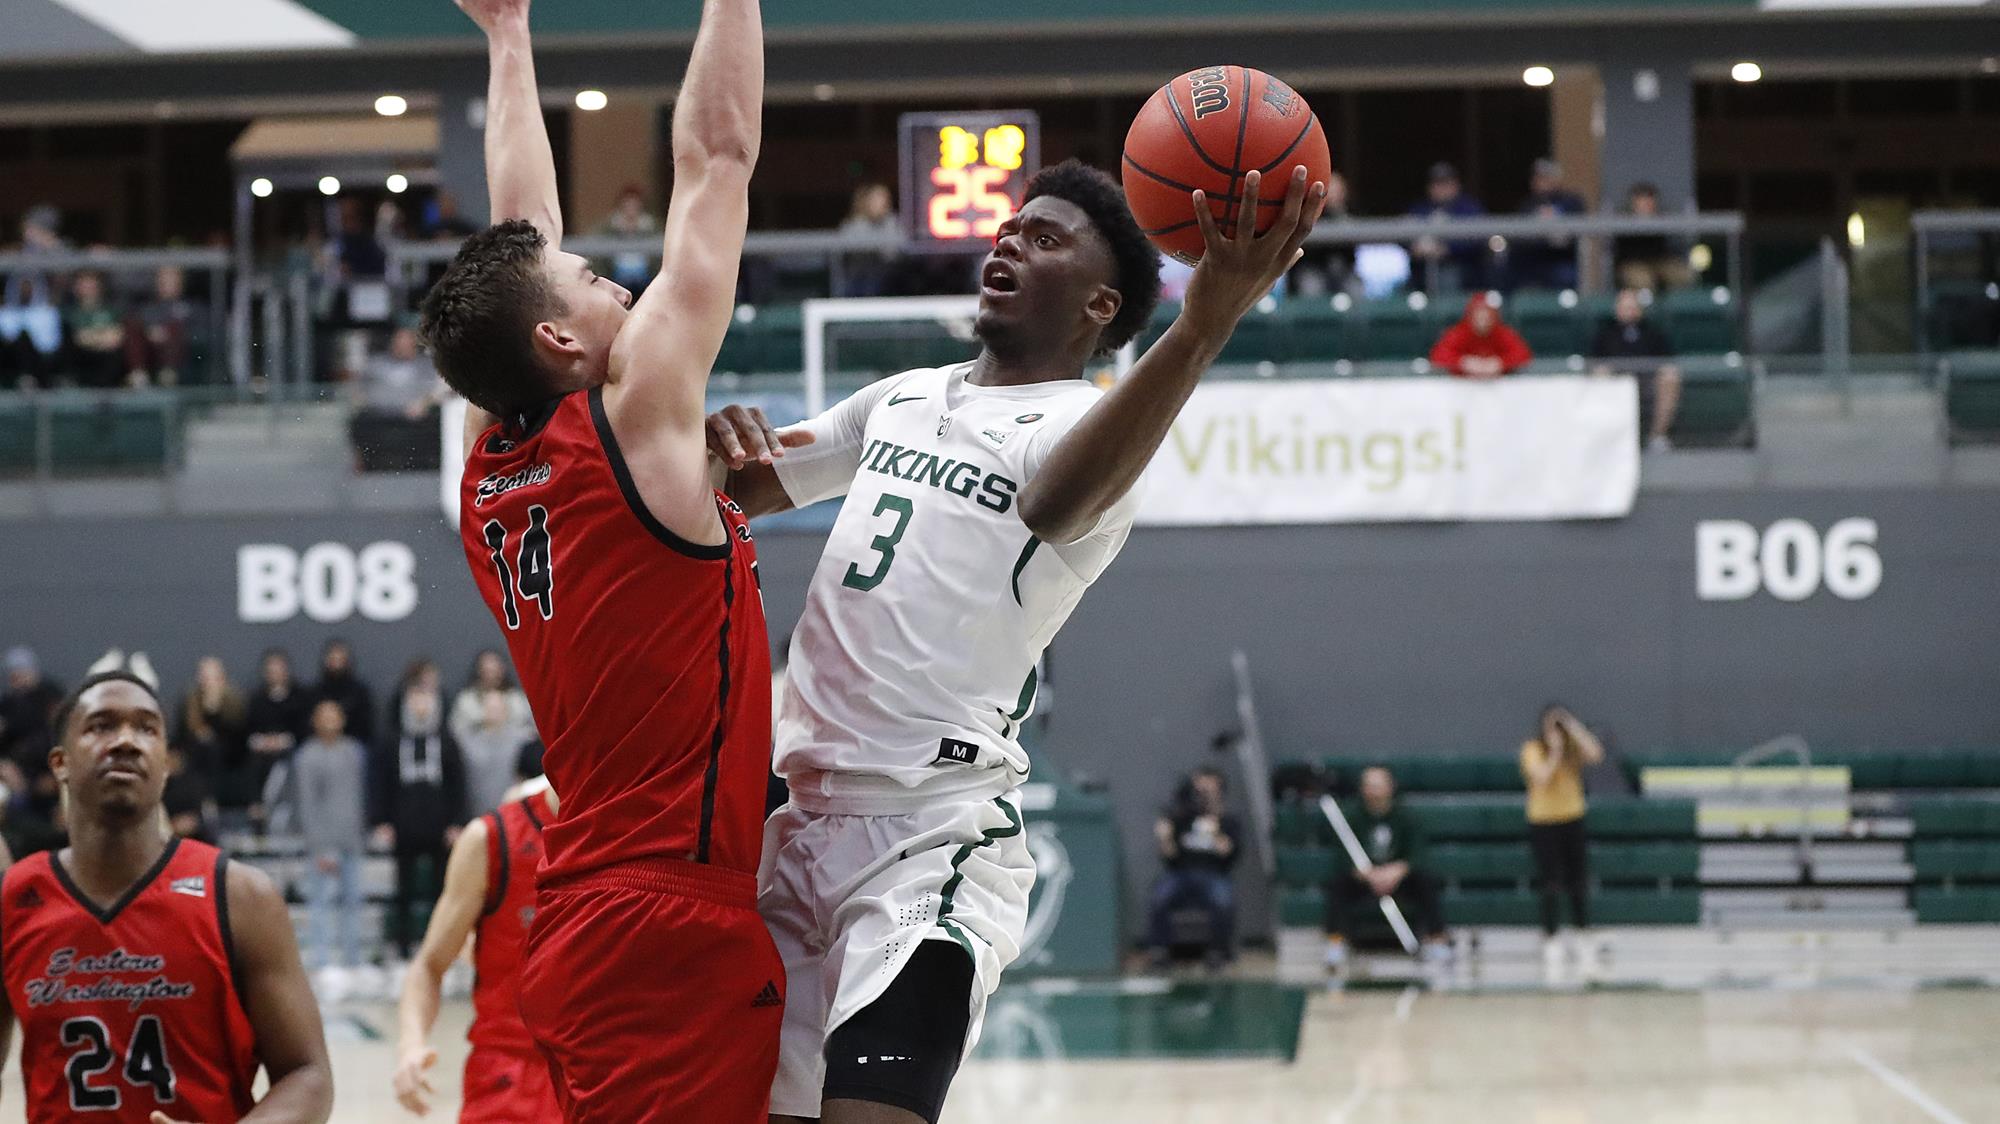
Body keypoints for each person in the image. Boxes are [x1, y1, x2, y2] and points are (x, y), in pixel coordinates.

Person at [708, 157, 1325, 1123]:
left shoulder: (1089, 429)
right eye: (1009, 228)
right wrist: (713, 443)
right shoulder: (901, 398)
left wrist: (1203, 325)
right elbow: (736, 495)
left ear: (1098, 303)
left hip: (932, 839)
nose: (1008, 241)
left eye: (1045, 239)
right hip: (796, 829)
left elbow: (1053, 502)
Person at [421, 0, 781, 1116]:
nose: (619, 279)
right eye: (592, 278)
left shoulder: (487, 461)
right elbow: (716, 154)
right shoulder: (636, 415)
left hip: (602, 908)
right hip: (658, 910)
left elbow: (520, 228)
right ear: (560, 341)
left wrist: (508, 34)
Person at [0, 671, 333, 1123]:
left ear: (166, 763)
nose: (126, 741)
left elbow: (308, 1075)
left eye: (146, 728)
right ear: (59, 763)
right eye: (101, 726)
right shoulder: (14, 898)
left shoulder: (238, 896)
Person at [393, 776, 560, 1122]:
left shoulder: (648, 833)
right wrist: (411, 1044)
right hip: (509, 1081)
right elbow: (429, 965)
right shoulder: (493, 838)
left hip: (610, 1079)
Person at [374, 662, 467, 961]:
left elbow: (458, 784)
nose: (420, 705)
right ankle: (402, 949)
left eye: (426, 699)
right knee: (403, 890)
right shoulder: (393, 741)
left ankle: (439, 947)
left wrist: (456, 822)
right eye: (415, 699)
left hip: (439, 825)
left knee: (441, 891)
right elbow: (381, 783)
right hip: (404, 824)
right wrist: (382, 821)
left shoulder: (446, 741)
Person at [1322, 766, 1450, 974]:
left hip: (1399, 879)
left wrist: (1394, 872)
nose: (1373, 791)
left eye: (1377, 786)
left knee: (1425, 881)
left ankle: (1438, 941)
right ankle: (1335, 942)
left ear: (1390, 787)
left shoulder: (1407, 816)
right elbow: (1344, 856)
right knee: (1339, 885)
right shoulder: (1352, 817)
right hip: (1363, 879)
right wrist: (1369, 875)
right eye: (1368, 786)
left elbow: (1416, 855)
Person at [1522, 704, 1606, 981]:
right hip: (1544, 822)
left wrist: (1574, 727)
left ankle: (1582, 933)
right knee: (1550, 881)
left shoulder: (1574, 752)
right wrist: (1555, 749)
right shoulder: (1533, 749)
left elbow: (1596, 754)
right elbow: (1541, 777)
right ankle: (1551, 936)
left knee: (1578, 879)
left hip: (1572, 818)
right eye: (1552, 725)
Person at [292, 698, 369, 982]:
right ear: (315, 721)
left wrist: (362, 832)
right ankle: (322, 962)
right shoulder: (307, 755)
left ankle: (352, 960)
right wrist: (320, 846)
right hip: (322, 843)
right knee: (321, 902)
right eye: (323, 716)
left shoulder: (354, 752)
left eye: (334, 715)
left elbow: (360, 796)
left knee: (352, 901)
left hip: (351, 839)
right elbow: (307, 804)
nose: (330, 721)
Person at [1144, 766, 1241, 971]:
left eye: (1209, 786)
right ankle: (1159, 951)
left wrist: (1215, 832)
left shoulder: (1228, 820)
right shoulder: (1182, 817)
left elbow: (1229, 854)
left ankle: (1217, 952)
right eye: (1199, 786)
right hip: (1181, 872)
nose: (1203, 792)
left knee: (1222, 900)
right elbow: (1169, 856)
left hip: (1213, 873)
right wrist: (1165, 837)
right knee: (1160, 896)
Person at [1590, 288, 1684, 451]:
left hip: (1647, 381)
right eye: (1625, 307)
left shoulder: (1653, 332)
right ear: (1617, 309)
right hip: (1617, 381)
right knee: (1600, 375)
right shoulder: (1605, 333)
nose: (1630, 312)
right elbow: (1595, 361)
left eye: (1633, 307)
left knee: (1670, 377)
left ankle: (1657, 436)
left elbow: (1666, 360)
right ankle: (1610, 438)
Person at [349, 325, 449, 471]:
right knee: (358, 422)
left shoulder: (426, 366)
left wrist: (425, 403)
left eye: (406, 342)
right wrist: (363, 401)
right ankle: (365, 463)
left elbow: (439, 389)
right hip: (379, 416)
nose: (402, 346)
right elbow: (358, 388)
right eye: (399, 341)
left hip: (414, 418)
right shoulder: (376, 364)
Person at [448, 650, 535, 816]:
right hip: (476, 803)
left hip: (513, 807)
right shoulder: (466, 709)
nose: (491, 673)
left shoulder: (521, 728)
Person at [244, 648, 310, 832]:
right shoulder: (257, 699)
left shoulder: (300, 697)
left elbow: (304, 730)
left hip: (292, 752)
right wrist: (262, 741)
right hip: (261, 755)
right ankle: (257, 807)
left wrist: (283, 741)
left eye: (279, 669)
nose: (275, 674)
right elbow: (249, 730)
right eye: (271, 670)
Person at [176, 655, 247, 826]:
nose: (208, 682)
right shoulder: (189, 703)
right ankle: (203, 804)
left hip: (229, 765)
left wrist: (214, 709)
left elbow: (238, 742)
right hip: (197, 765)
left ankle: (212, 802)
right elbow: (181, 739)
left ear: (222, 678)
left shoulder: (235, 703)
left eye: (212, 676)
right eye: (204, 676)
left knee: (213, 749)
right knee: (204, 749)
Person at [1407, 161, 1485, 292]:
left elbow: (1478, 239)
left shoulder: (1468, 208)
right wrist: (1413, 247)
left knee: (1449, 276)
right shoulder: (1421, 209)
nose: (1441, 188)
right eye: (1436, 184)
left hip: (1462, 271)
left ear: (1456, 185)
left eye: (1445, 183)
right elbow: (1403, 232)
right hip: (1422, 271)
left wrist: (1448, 249)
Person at [123, 265, 207, 385]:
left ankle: (168, 374)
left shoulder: (193, 307)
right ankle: (139, 375)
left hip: (182, 356)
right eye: (163, 279)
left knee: (174, 328)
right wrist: (150, 332)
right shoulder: (147, 308)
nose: (167, 284)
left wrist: (168, 333)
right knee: (133, 325)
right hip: (150, 353)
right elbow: (138, 327)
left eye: (172, 279)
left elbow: (201, 334)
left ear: (181, 281)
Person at [1513, 158, 1587, 291]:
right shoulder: (1527, 204)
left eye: (1546, 177)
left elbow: (1575, 232)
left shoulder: (1571, 201)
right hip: (1535, 260)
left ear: (1556, 179)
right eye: (1538, 177)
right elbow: (1521, 238)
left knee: (1564, 275)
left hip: (1562, 259)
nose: (1541, 182)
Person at [1613, 182, 1693, 293]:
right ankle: (1646, 309)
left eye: (1650, 200)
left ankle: (1677, 308)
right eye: (1642, 200)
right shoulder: (1623, 219)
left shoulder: (1661, 218)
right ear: (1634, 202)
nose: (1647, 204)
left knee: (1686, 275)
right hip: (1632, 264)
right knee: (1643, 281)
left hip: (1659, 262)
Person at [1430, 293, 1533, 378]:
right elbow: (1438, 355)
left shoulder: (1502, 332)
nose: (1483, 320)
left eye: (1487, 316)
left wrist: (1500, 363)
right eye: (1479, 315)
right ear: (1470, 316)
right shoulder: (1459, 332)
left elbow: (1523, 354)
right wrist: (1464, 362)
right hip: (1462, 389)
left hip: (1499, 388)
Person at [591, 183, 661, 294]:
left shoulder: (651, 226)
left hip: (645, 275)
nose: (631, 208)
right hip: (616, 274)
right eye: (628, 204)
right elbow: (596, 248)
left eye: (634, 204)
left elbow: (659, 253)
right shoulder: (608, 227)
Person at [63, 269, 127, 388]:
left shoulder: (111, 310)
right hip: (82, 360)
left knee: (114, 356)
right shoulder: (70, 312)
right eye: (83, 282)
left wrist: (92, 337)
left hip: (108, 358)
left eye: (91, 282)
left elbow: (117, 337)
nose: (87, 286)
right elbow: (78, 338)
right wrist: (102, 336)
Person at [837, 182, 901, 297]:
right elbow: (846, 253)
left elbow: (893, 254)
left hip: (889, 284)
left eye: (884, 199)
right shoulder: (853, 225)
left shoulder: (893, 223)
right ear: (866, 201)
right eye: (876, 199)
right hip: (857, 285)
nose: (881, 203)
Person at [312, 637, 375, 747]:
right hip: (319, 744)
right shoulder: (316, 691)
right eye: (333, 659)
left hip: (354, 743)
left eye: (340, 659)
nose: (337, 664)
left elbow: (365, 725)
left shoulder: (359, 692)